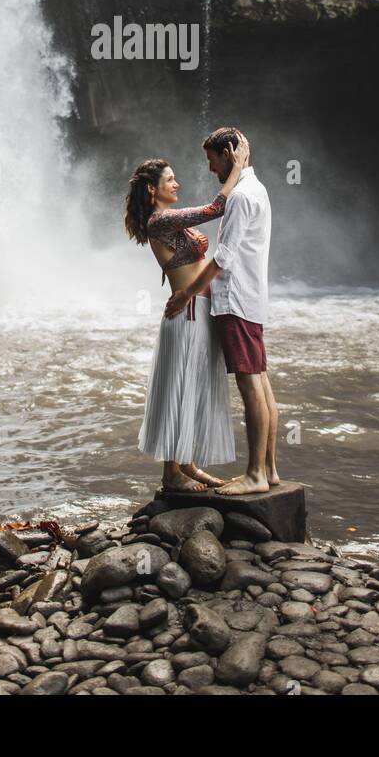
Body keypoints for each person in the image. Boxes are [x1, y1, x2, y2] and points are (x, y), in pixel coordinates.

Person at [123, 135, 249, 492]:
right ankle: (171, 474)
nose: (177, 183)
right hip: (186, 314)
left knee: (194, 387)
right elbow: (215, 209)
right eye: (169, 180)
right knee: (180, 387)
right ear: (152, 191)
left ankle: (188, 464)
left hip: (200, 308)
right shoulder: (160, 221)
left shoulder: (170, 220)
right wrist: (237, 167)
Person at [165, 126, 278, 496]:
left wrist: (186, 295)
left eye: (212, 159)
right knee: (260, 382)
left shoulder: (241, 197)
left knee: (249, 384)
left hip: (235, 300)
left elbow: (223, 258)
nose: (211, 168)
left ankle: (255, 474)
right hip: (251, 298)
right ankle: (270, 471)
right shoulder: (256, 188)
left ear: (228, 153)